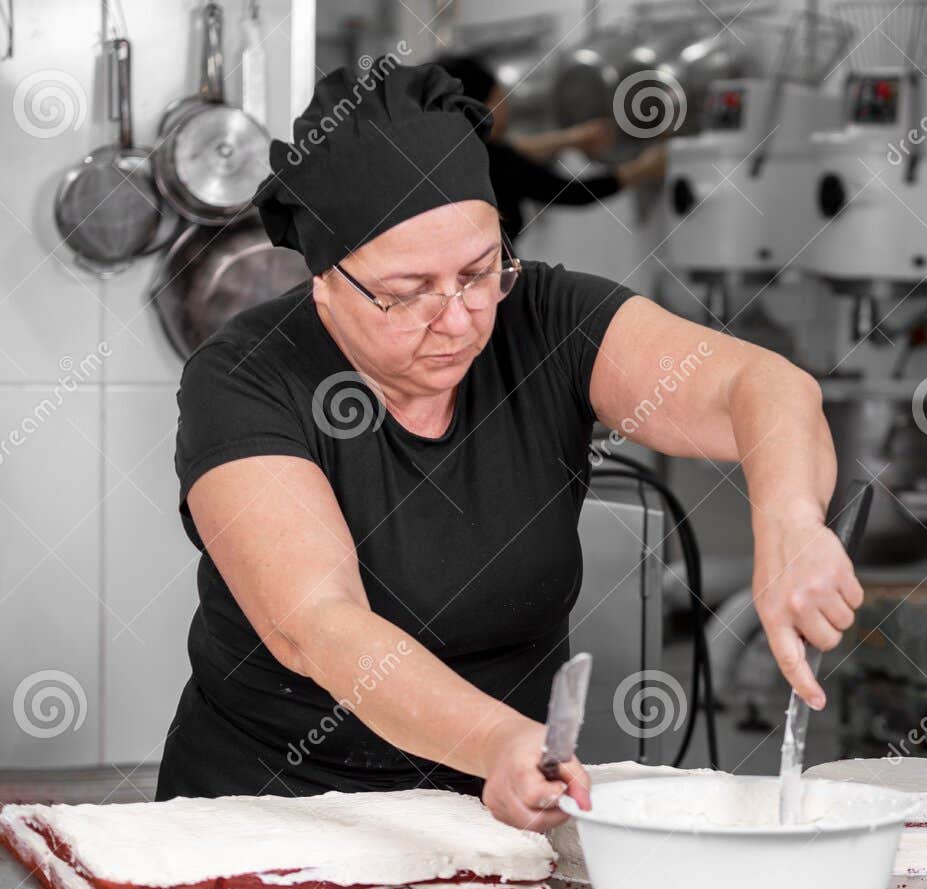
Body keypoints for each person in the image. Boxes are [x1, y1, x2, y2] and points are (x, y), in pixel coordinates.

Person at [158, 64, 858, 832]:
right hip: (269, 816)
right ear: (326, 281)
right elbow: (317, 623)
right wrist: (493, 740)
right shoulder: (246, 377)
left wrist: (790, 522)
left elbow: (761, 386)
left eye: (477, 272)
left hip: (487, 825)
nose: (457, 319)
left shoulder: (546, 317)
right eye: (409, 291)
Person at [432, 52, 667, 238]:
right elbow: (571, 193)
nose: (507, 105)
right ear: (485, 107)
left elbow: (514, 151)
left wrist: (571, 138)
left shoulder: (447, 152)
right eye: (500, 96)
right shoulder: (493, 162)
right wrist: (640, 170)